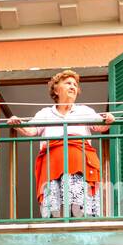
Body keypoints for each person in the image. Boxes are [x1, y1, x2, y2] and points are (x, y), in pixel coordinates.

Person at [7, 69, 114, 218]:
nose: (73, 87)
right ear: (56, 90)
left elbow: (101, 127)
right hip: (53, 168)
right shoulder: (44, 113)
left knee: (79, 209)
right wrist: (17, 123)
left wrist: (108, 119)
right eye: (68, 83)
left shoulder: (85, 111)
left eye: (75, 85)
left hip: (80, 167)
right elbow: (30, 131)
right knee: (55, 211)